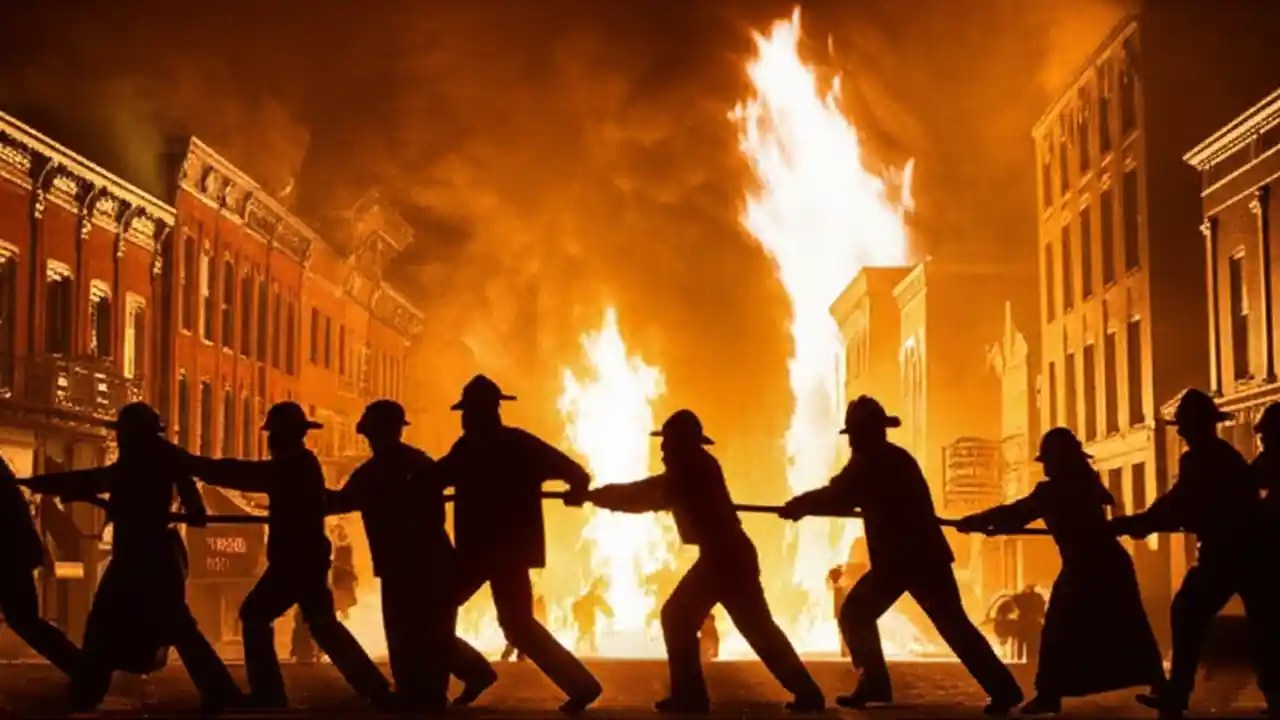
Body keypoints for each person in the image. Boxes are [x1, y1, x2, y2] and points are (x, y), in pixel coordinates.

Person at [780, 396, 1023, 715]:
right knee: (950, 625)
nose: (851, 440)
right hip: (917, 557)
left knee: (858, 613)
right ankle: (1000, 689)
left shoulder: (872, 461)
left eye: (854, 433)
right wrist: (808, 505)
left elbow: (839, 494)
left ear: (865, 433)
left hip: (904, 559)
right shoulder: (894, 458)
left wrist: (801, 505)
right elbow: (844, 497)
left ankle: (876, 682)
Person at [590, 409, 825, 713]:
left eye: (668, 444)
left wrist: (597, 496)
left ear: (681, 444)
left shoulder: (691, 468)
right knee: (752, 627)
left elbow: (645, 494)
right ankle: (804, 691)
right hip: (726, 554)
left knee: (682, 618)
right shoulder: (697, 465)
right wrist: (600, 496)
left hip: (723, 557)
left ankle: (692, 696)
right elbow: (650, 493)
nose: (662, 450)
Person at [18, 403, 242, 711]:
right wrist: (195, 509)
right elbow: (111, 484)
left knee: (117, 626)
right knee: (141, 627)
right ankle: (219, 692)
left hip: (147, 556)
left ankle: (86, 693)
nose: (121, 439)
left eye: (124, 433)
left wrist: (195, 508)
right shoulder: (156, 457)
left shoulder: (149, 457)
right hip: (144, 554)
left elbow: (102, 480)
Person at [185, 401, 394, 711]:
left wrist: (194, 465)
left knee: (256, 615)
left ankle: (269, 694)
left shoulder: (293, 467)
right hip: (305, 559)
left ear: (283, 437)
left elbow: (242, 474)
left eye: (274, 435)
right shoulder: (303, 466)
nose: (270, 441)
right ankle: (375, 689)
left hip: (295, 562)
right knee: (323, 625)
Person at [958, 427, 1165, 714]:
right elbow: (1016, 516)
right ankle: (1158, 683)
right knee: (1129, 625)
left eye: (1050, 461)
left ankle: (1049, 695)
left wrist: (976, 522)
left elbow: (1017, 513)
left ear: (1060, 460)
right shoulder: (1086, 481)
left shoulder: (1054, 490)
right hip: (1111, 564)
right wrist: (991, 525)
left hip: (1086, 565)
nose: (1047, 468)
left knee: (1058, 629)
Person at [436, 374, 602, 713]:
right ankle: (581, 686)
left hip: (481, 551)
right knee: (518, 625)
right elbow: (575, 472)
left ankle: (475, 673)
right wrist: (577, 491)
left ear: (482, 413)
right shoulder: (517, 446)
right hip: (506, 551)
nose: (466, 418)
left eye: (469, 411)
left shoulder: (472, 449)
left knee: (435, 609)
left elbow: (433, 479)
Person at [1112, 389, 1277, 717]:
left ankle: (1178, 694)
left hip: (1229, 554)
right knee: (1264, 627)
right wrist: (1146, 522)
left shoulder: (1206, 460)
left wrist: (1140, 522)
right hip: (1247, 554)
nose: (1182, 431)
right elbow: (1183, 504)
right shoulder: (1224, 457)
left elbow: (1180, 502)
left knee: (1189, 611)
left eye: (1185, 425)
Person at [325, 399, 497, 712]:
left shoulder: (373, 472)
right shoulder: (420, 463)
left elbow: (341, 502)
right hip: (435, 561)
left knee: (405, 632)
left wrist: (302, 499)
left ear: (372, 432)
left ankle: (420, 692)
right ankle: (458, 681)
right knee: (435, 631)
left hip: (400, 566)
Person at [0, 456, 80, 676]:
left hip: (9, 554)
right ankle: (80, 666)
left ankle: (81, 668)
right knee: (24, 619)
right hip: (13, 553)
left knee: (23, 619)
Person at [572, 580, 613, 656]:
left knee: (585, 632)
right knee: (587, 632)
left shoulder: (586, 595)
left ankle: (584, 647)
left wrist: (576, 617)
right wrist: (610, 613)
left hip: (584, 617)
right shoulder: (594, 596)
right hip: (587, 617)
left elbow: (576, 605)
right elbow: (603, 605)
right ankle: (591, 648)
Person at [329, 524, 358, 620]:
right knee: (341, 593)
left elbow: (336, 549)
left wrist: (333, 535)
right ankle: (343, 612)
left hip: (342, 571)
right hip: (342, 570)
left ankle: (343, 612)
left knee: (342, 592)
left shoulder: (343, 544)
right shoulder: (345, 543)